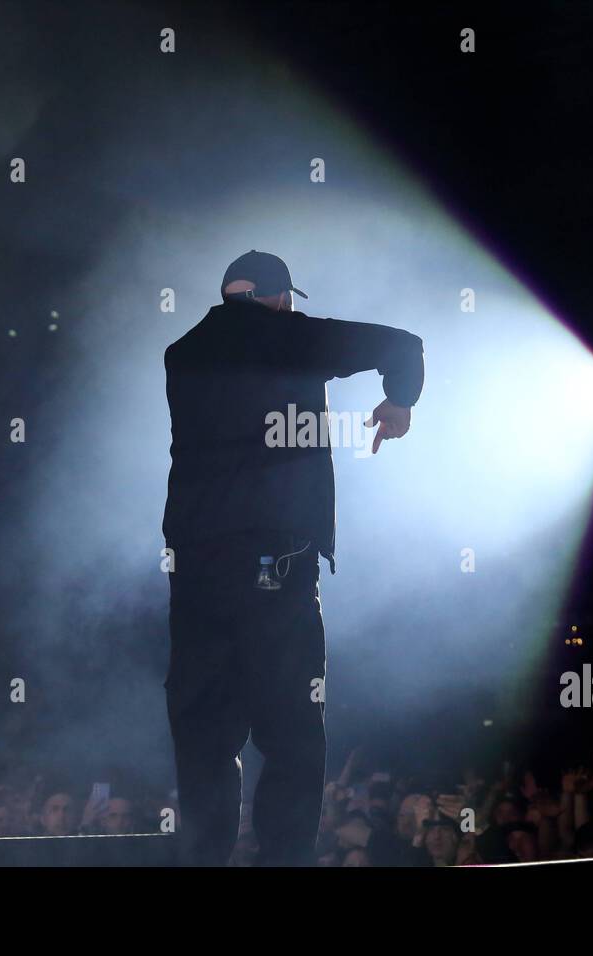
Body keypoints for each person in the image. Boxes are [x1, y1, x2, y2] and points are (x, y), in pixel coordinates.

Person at [161, 250, 425, 865]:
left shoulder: (181, 353)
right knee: (290, 734)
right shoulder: (291, 337)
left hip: (196, 572)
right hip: (275, 566)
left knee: (204, 733)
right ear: (280, 298)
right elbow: (402, 345)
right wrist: (400, 401)